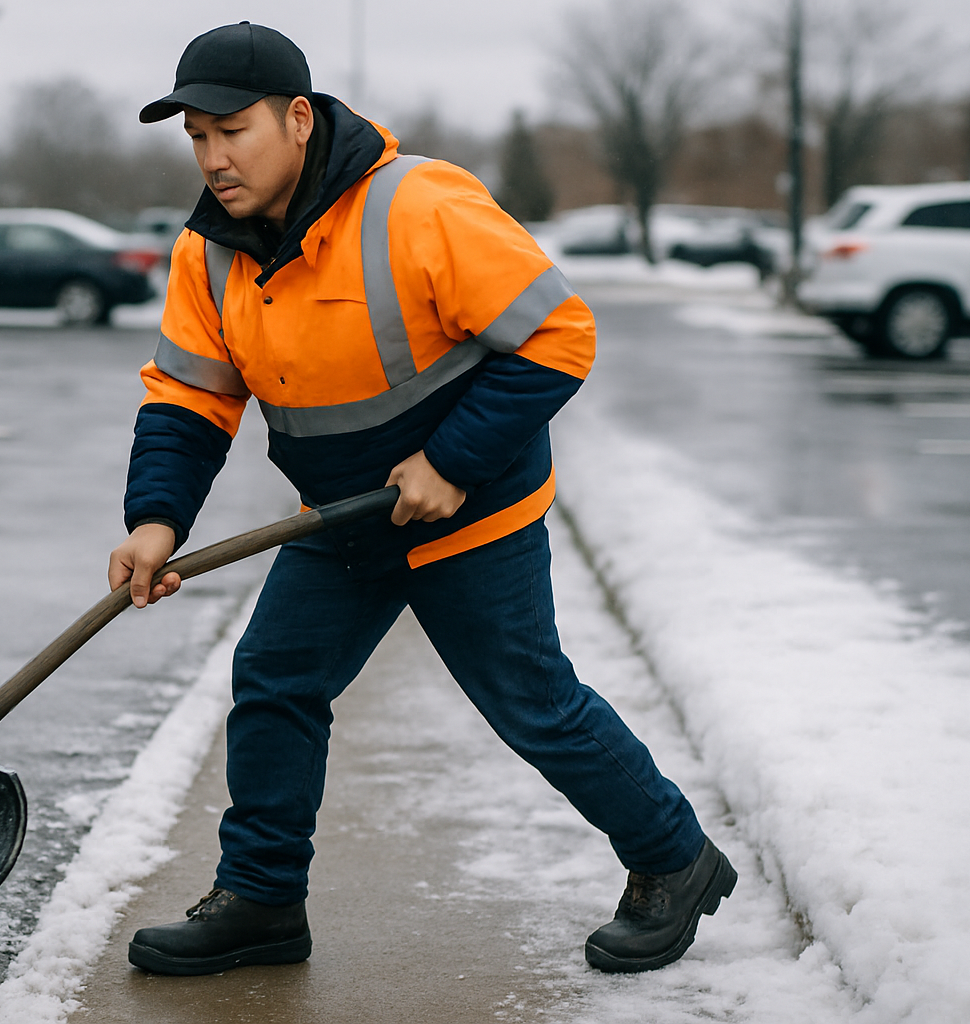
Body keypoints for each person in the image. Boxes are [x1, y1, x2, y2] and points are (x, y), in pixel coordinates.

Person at [108, 21, 734, 978]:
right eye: (197, 137)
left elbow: (558, 336)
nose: (213, 158)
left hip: (471, 510)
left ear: (299, 119)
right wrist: (155, 522)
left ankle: (674, 858)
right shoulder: (211, 253)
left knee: (529, 701)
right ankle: (263, 900)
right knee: (274, 681)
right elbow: (191, 399)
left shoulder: (417, 204)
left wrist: (450, 462)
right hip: (342, 517)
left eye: (233, 131)